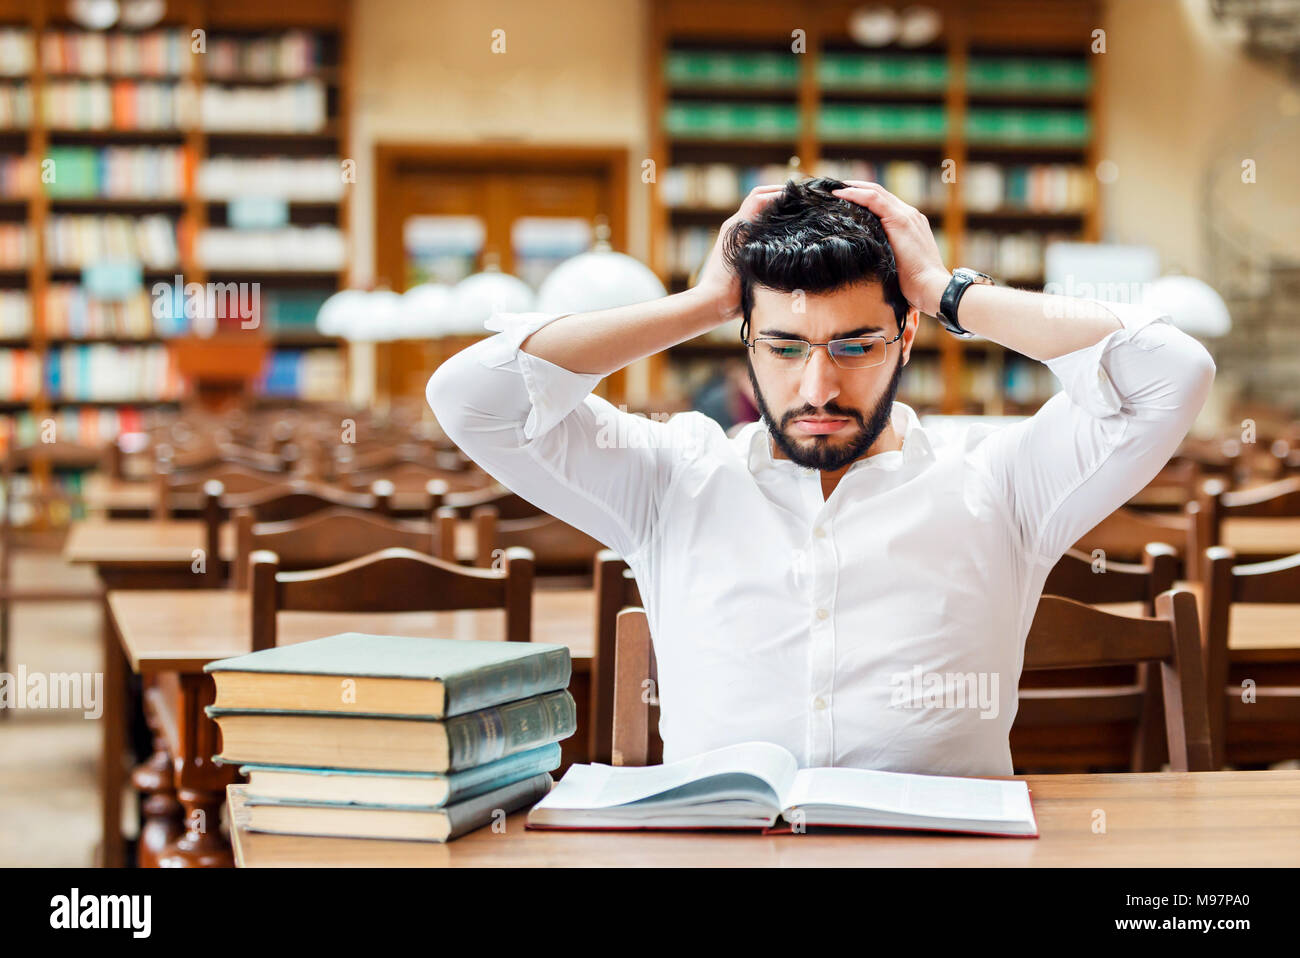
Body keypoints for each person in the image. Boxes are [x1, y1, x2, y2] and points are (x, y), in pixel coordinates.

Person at [426, 177, 1214, 776]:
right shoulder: (671, 478)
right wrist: (702, 302)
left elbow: (1169, 375)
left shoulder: (1002, 482)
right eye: (784, 346)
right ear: (745, 341)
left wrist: (947, 290)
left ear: (907, 338)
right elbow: (472, 398)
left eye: (854, 345)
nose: (817, 391)